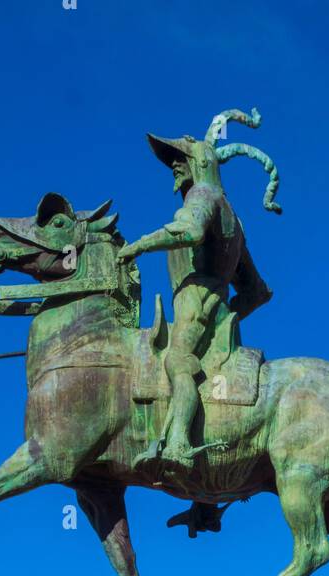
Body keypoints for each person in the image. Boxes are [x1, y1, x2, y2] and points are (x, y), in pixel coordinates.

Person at [118, 107, 279, 471]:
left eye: (179, 159)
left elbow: (188, 232)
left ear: (200, 163)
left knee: (178, 363)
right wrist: (226, 318)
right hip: (212, 307)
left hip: (194, 303)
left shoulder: (203, 198)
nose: (174, 166)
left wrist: (136, 247)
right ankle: (203, 501)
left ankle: (176, 445)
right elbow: (257, 291)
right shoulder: (233, 220)